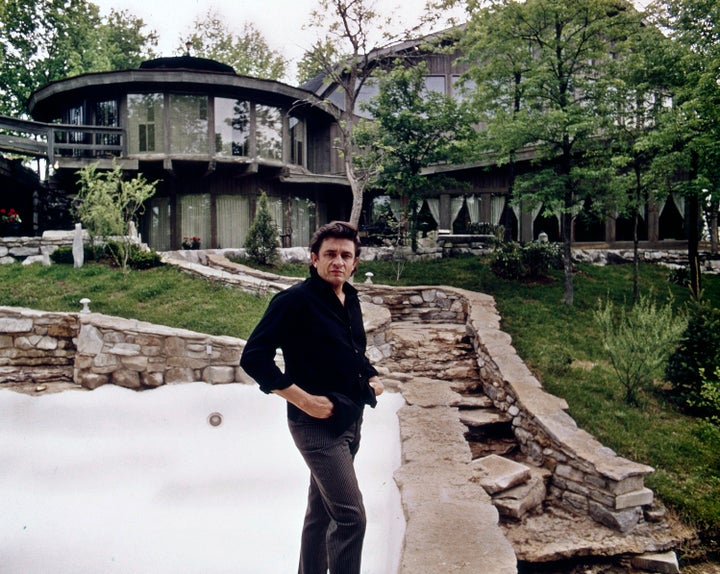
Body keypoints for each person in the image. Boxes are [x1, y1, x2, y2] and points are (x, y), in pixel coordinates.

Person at [240, 220, 384, 574]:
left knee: (320, 514)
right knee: (351, 518)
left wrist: (371, 375)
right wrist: (303, 400)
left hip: (351, 419)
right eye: (330, 254)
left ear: (355, 263)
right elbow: (254, 357)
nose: (338, 261)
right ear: (313, 259)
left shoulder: (350, 300)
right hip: (316, 425)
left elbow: (352, 352)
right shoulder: (294, 302)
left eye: (345, 255)